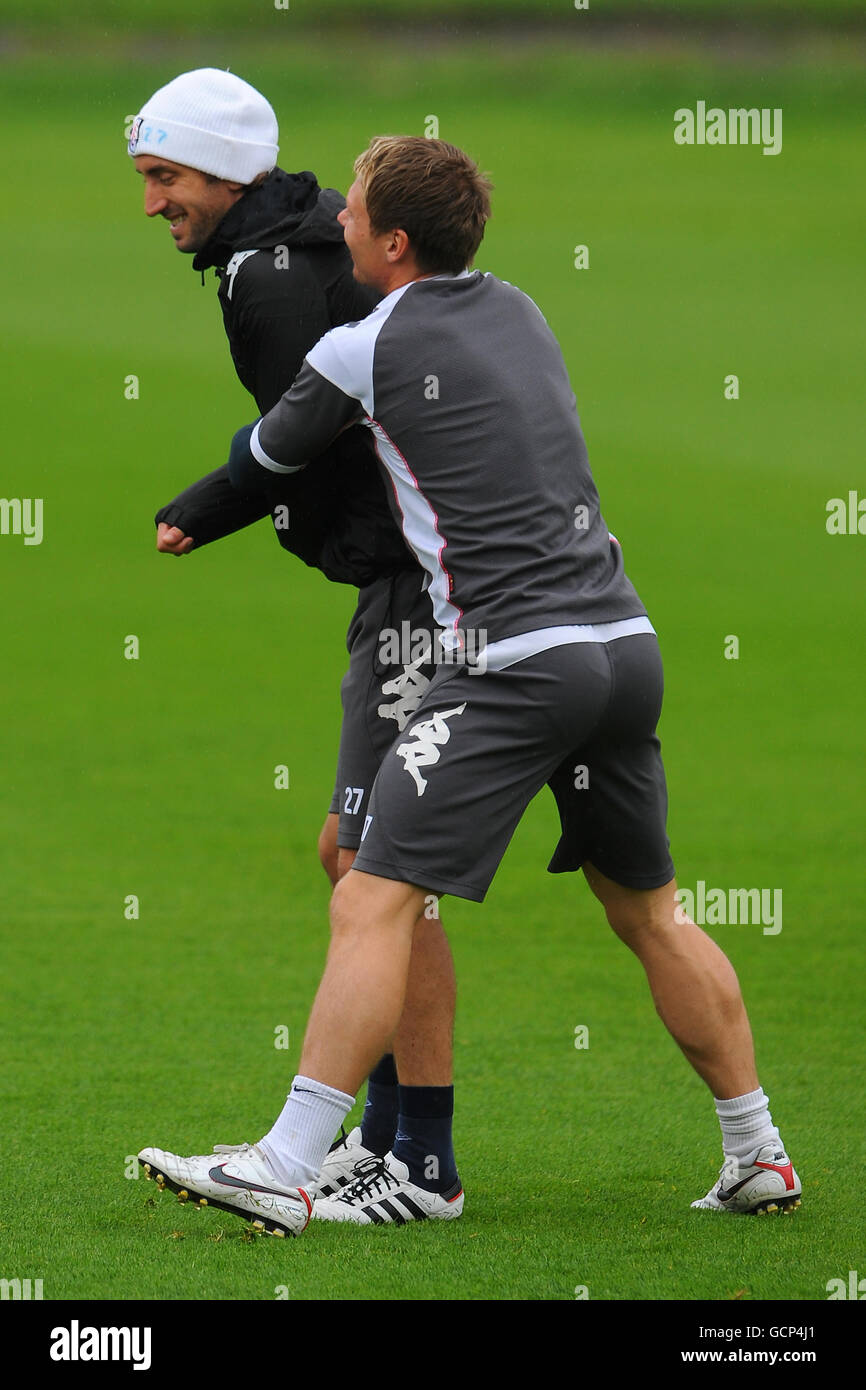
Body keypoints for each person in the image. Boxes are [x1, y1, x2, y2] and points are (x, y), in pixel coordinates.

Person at [138, 135, 800, 1237]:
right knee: (649, 915)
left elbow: (272, 455)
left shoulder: (364, 345)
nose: (334, 224)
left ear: (392, 243)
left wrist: (192, 513)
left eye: (349, 213)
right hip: (624, 646)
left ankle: (288, 1163)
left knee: (370, 889)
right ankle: (756, 1151)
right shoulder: (522, 307)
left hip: (515, 663)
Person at [129, 72, 464, 1218]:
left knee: (376, 875)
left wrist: (211, 507)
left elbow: (302, 438)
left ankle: (409, 1155)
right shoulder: (308, 237)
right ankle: (387, 1141)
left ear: (226, 174)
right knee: (375, 865)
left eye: (165, 179)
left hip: (416, 591)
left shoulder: (267, 279)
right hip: (437, 583)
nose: (152, 204)